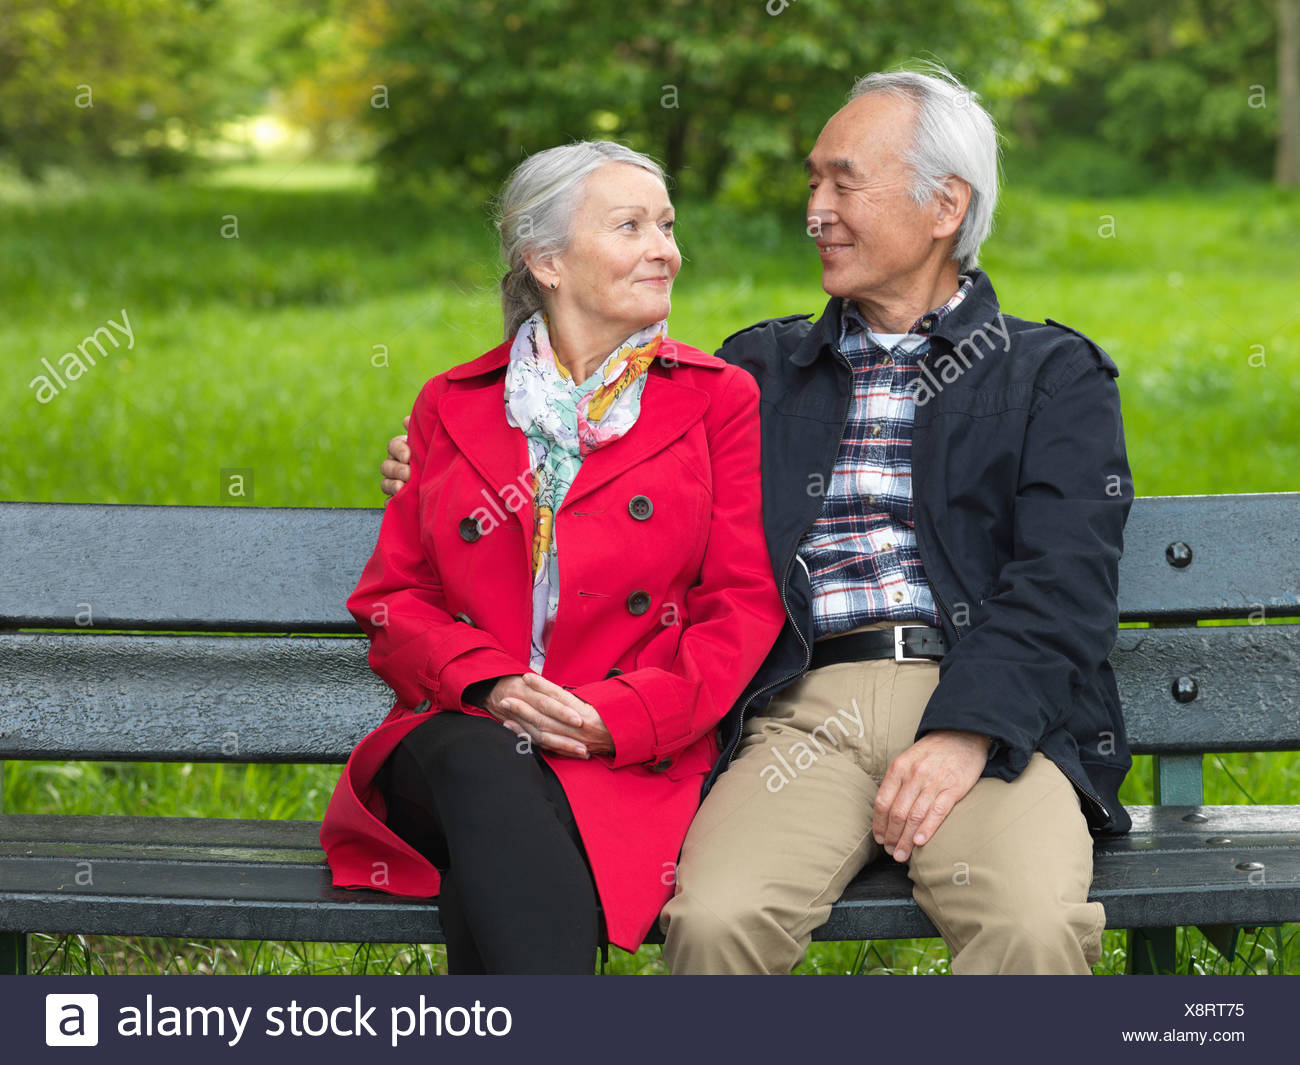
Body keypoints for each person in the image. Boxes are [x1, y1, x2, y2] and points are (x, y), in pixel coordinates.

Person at [382, 65, 1134, 975]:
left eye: (843, 183)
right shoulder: (758, 371)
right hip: (802, 715)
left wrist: (965, 731)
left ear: (945, 206)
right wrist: (447, 469)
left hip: (989, 712)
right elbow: (599, 444)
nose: (816, 210)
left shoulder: (1051, 375)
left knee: (1029, 927)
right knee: (716, 919)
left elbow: (1063, 585)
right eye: (813, 182)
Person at [321, 140, 785, 974]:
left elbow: (742, 601)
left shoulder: (717, 398)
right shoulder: (453, 403)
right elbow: (395, 600)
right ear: (547, 261)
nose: (666, 250)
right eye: (631, 226)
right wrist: (491, 683)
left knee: (502, 844)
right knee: (487, 761)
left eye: (668, 226)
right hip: (461, 735)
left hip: (629, 751)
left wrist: (620, 716)